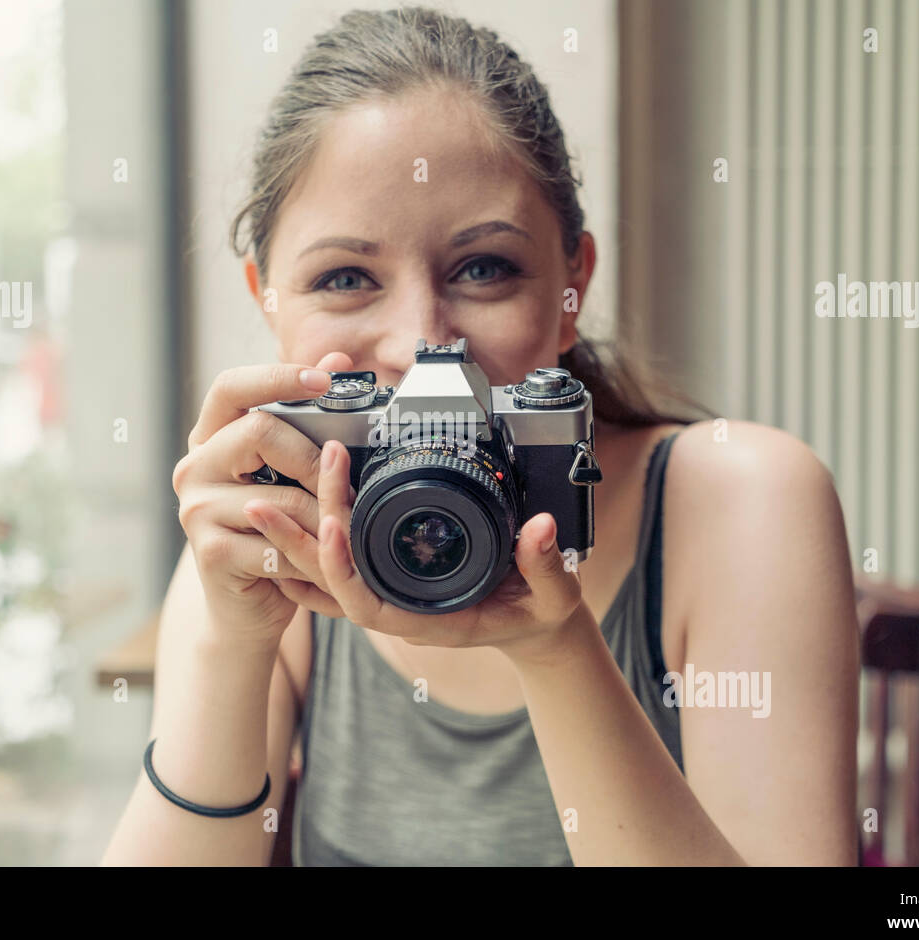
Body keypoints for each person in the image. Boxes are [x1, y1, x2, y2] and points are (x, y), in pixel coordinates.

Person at [102, 6, 859, 866]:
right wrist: (229, 645)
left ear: (572, 284)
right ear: (268, 301)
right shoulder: (273, 524)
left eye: (484, 268)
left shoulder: (739, 502)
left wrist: (553, 646)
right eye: (346, 277)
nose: (423, 338)